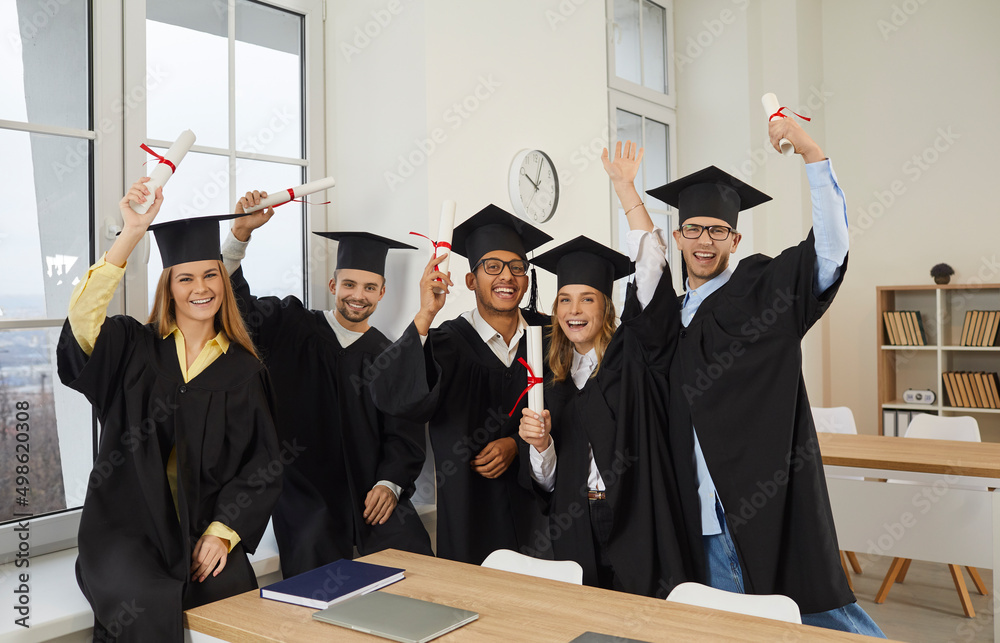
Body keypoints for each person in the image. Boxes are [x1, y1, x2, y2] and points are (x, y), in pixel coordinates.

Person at [634, 119, 884, 635]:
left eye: (718, 230)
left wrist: (813, 152)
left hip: (762, 505)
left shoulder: (761, 287)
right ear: (679, 236)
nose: (706, 241)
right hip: (694, 510)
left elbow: (830, 251)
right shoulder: (668, 318)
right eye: (695, 230)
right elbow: (646, 274)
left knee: (823, 620)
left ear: (735, 237)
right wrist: (627, 194)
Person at [57, 179, 281, 642]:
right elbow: (81, 325)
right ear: (169, 287)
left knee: (238, 607)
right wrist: (132, 233)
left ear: (224, 280)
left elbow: (263, 462)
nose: (201, 288)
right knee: (144, 607)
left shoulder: (244, 369)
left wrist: (223, 531)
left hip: (203, 528)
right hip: (126, 530)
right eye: (186, 278)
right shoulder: (131, 347)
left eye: (210, 275)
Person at [221, 191, 433, 577]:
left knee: (414, 563)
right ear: (333, 284)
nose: (358, 296)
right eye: (349, 284)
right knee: (316, 580)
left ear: (382, 293)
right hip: (306, 494)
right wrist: (239, 236)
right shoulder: (291, 325)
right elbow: (238, 310)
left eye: (370, 288)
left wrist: (390, 484)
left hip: (373, 494)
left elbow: (405, 433)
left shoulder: (390, 355)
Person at [368, 204, 553, 565]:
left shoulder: (547, 337)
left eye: (517, 268)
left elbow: (572, 409)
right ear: (471, 281)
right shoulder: (445, 343)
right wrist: (424, 314)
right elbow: (393, 397)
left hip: (541, 514)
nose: (507, 277)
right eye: (493, 267)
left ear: (526, 280)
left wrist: (517, 444)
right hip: (470, 515)